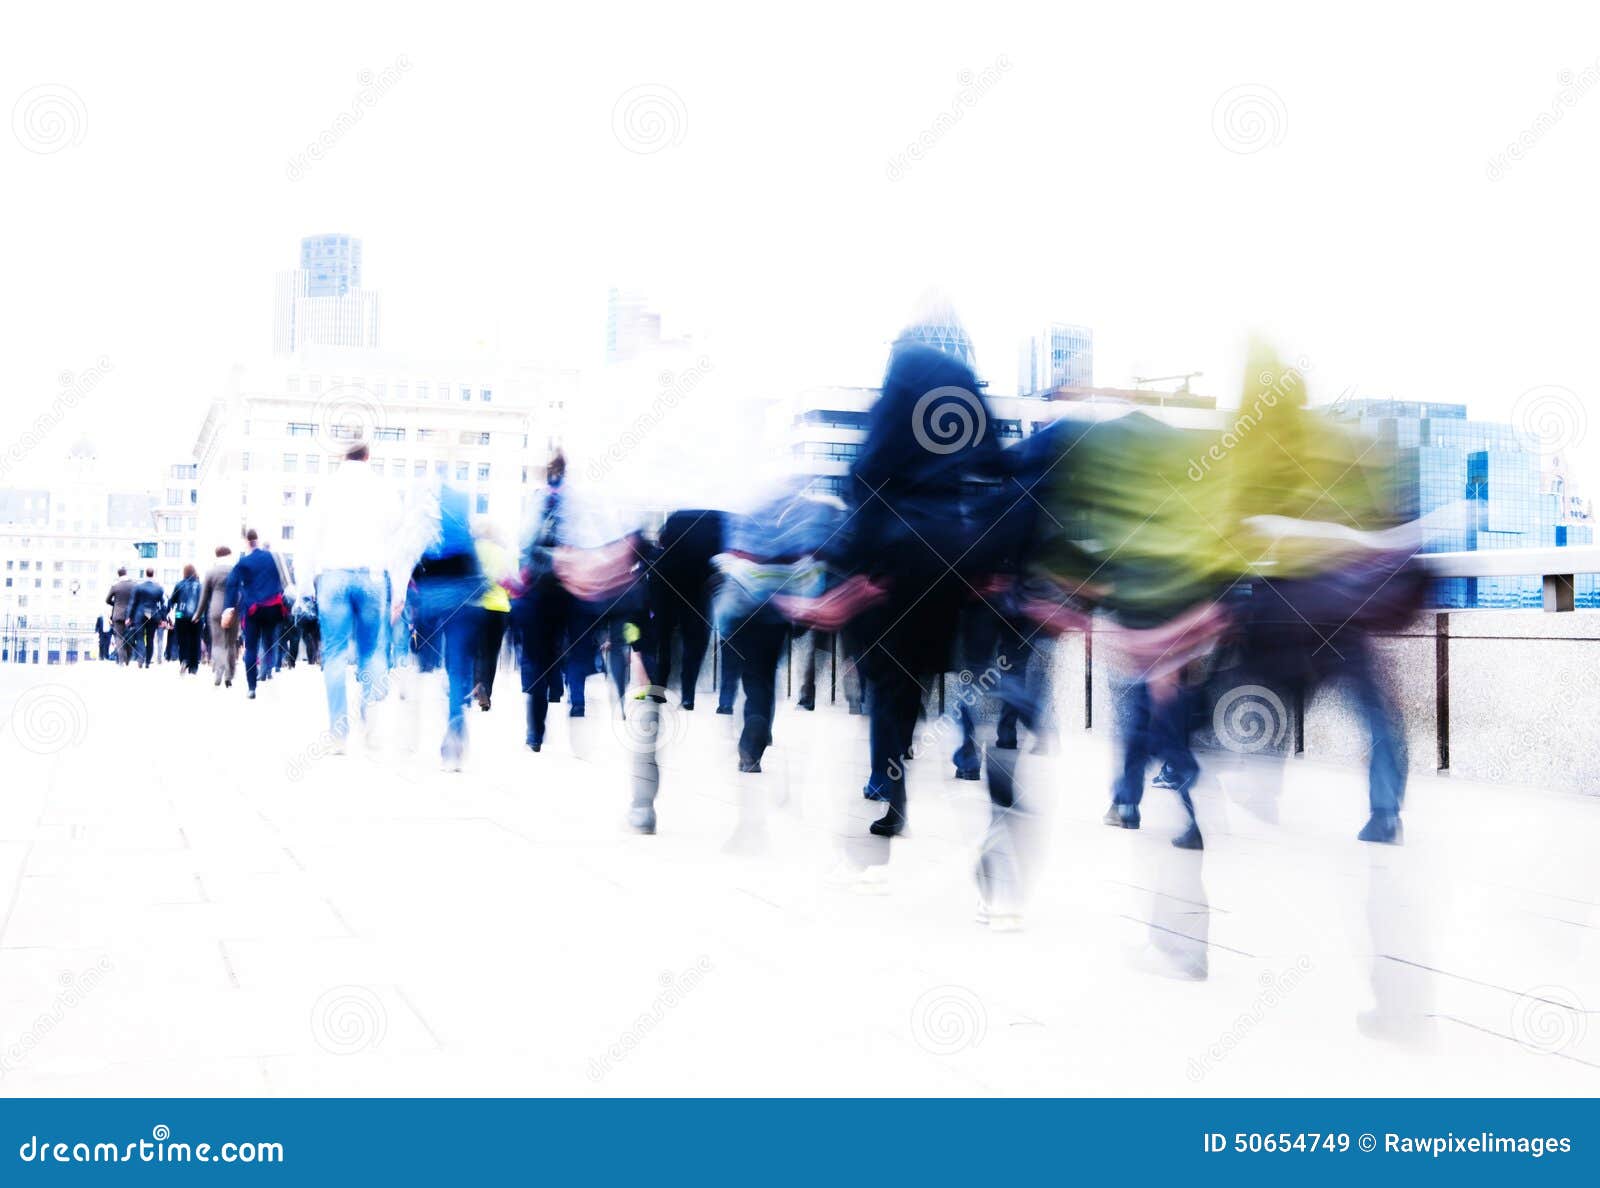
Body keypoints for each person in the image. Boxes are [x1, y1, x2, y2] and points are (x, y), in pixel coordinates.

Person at [297, 440, 403, 751]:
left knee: (335, 654)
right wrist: (398, 589)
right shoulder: (384, 488)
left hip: (333, 576)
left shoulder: (326, 487)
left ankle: (338, 734)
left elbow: (308, 538)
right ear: (368, 455)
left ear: (342, 455)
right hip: (372, 576)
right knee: (372, 650)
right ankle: (370, 719)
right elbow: (398, 541)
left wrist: (305, 587)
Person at [645, 510, 723, 711]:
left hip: (666, 590)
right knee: (694, 645)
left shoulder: (676, 520)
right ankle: (688, 696)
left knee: (662, 643)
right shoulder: (713, 522)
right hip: (697, 591)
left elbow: (662, 541)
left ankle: (659, 689)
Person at [223, 528, 287, 699]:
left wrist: (228, 608)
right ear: (258, 540)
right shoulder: (272, 558)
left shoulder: (243, 562)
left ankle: (252, 687)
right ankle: (267, 670)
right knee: (269, 642)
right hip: (272, 608)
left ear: (246, 541)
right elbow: (283, 579)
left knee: (251, 647)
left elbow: (232, 584)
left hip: (252, 609)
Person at [471, 519, 514, 712]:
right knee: (491, 653)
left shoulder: (474, 550)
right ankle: (486, 691)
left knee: (476, 651)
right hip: (499, 609)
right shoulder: (504, 553)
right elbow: (512, 583)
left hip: (476, 607)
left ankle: (476, 684)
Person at [198, 546, 239, 687]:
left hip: (216, 609)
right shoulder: (236, 570)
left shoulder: (211, 572)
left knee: (217, 643)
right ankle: (229, 675)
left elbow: (204, 596)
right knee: (231, 643)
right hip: (233, 609)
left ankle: (219, 670)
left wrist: (198, 614)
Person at [127, 567, 166, 668]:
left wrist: (129, 617)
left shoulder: (138, 587)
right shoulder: (159, 589)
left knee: (140, 637)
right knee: (150, 639)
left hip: (140, 615)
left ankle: (141, 657)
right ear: (153, 574)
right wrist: (163, 619)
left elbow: (133, 603)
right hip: (153, 615)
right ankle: (148, 662)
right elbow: (163, 605)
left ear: (145, 574)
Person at [167, 564, 203, 675]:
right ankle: (194, 667)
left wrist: (166, 614)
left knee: (182, 640)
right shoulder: (200, 586)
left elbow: (171, 601)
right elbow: (205, 602)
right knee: (195, 641)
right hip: (197, 617)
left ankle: (184, 660)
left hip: (180, 616)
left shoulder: (179, 585)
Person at [105, 567, 135, 665]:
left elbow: (107, 600)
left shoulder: (115, 586)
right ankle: (128, 659)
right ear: (126, 573)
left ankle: (122, 660)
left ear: (118, 575)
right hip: (130, 615)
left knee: (119, 637)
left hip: (117, 615)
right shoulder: (134, 585)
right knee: (130, 637)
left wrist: (116, 604)